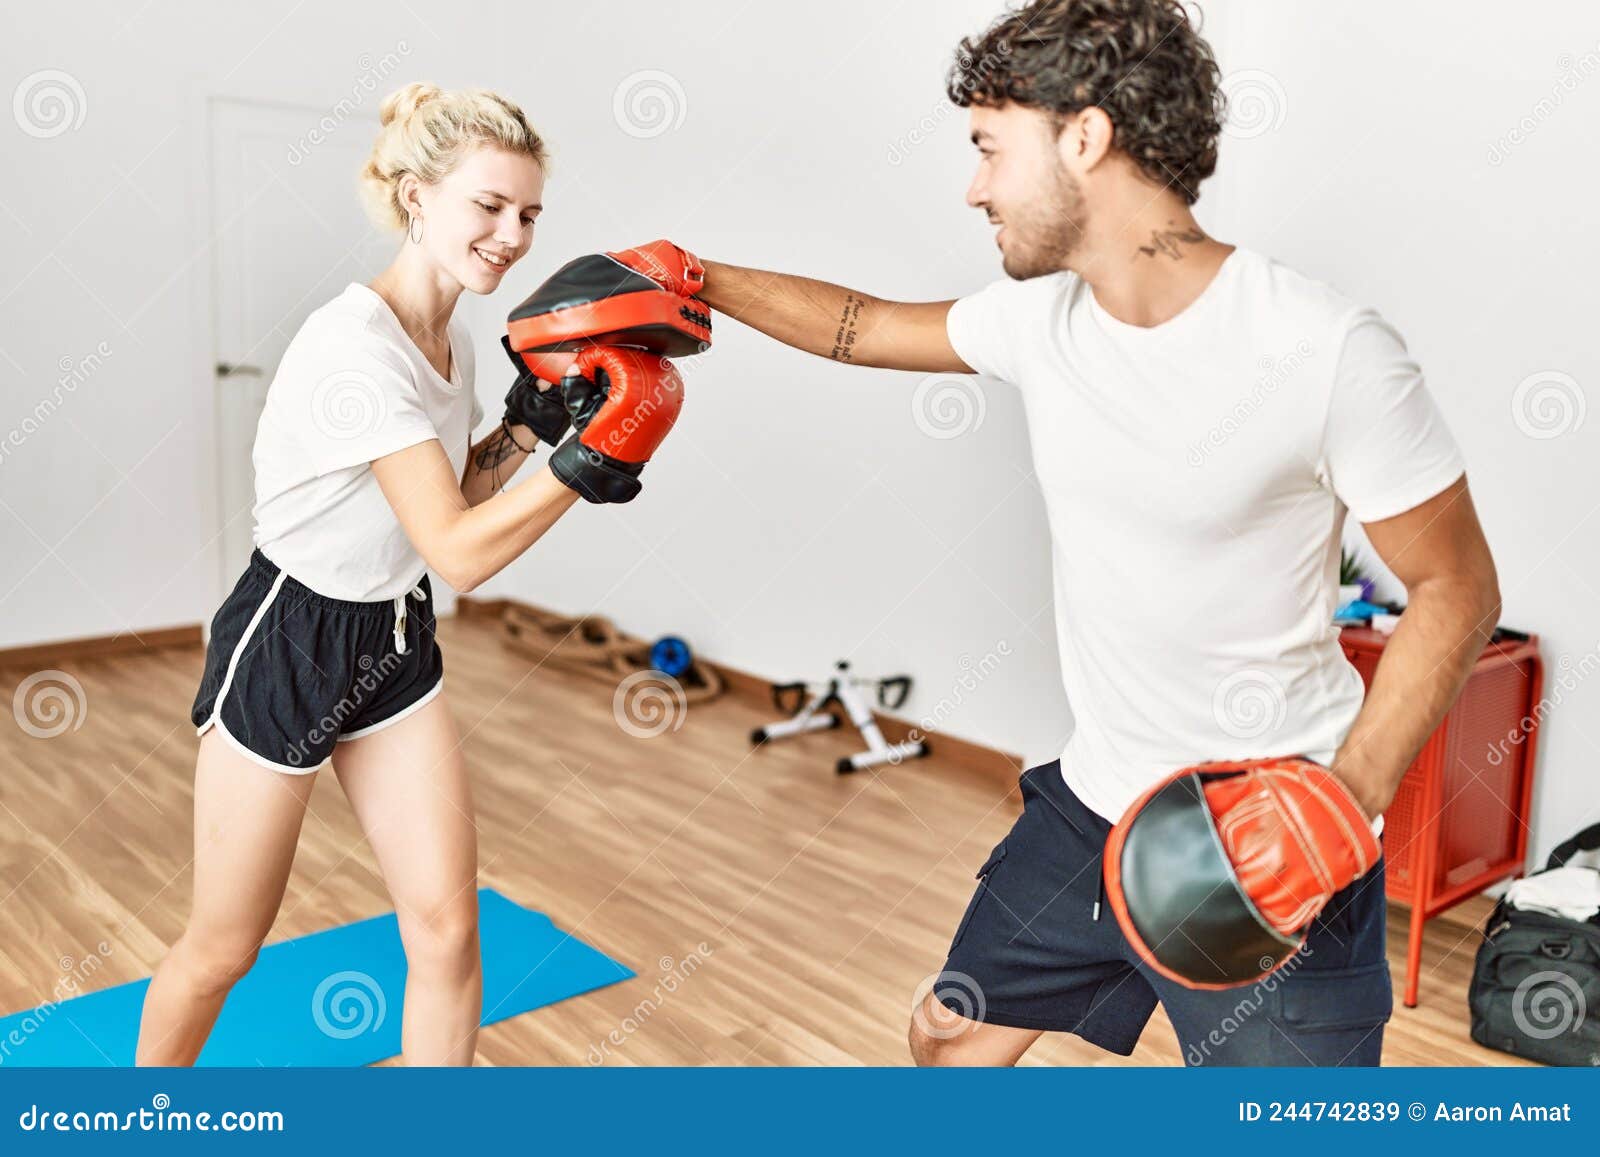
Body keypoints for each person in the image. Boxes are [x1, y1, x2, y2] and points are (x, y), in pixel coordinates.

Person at [685, 0, 1501, 1065]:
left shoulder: (1323, 349)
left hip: (1266, 836)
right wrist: (690, 279)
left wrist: (1343, 802)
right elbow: (863, 328)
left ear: (1084, 135)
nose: (971, 185)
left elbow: (1455, 589)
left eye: (988, 149)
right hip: (1095, 805)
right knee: (947, 1036)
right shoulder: (1041, 320)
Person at [138, 83, 674, 1066]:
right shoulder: (355, 348)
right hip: (291, 636)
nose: (512, 234)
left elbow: (450, 498)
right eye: (489, 206)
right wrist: (586, 462)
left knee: (446, 928)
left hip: (392, 636)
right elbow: (460, 548)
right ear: (417, 197)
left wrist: (523, 431)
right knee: (224, 946)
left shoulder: (451, 335)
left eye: (528, 213)